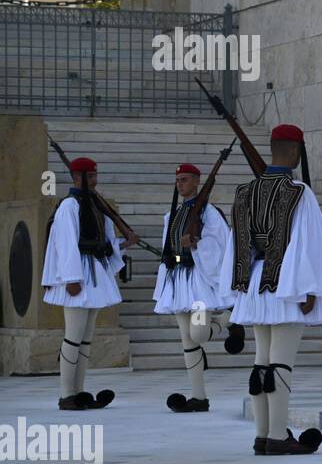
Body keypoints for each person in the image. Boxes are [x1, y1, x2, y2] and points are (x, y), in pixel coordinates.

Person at [219, 124, 322, 455]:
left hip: (254, 284)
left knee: (261, 361)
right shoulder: (299, 192)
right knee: (281, 362)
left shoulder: (244, 192)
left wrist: (236, 288)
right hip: (287, 283)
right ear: (297, 152)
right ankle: (278, 436)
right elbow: (307, 242)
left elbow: (236, 244)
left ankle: (262, 434)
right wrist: (309, 287)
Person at [41, 156, 139, 410]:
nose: (95, 180)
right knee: (73, 336)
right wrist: (71, 279)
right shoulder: (69, 206)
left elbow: (102, 243)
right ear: (77, 178)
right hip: (78, 275)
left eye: (96, 175)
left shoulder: (95, 205)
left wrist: (121, 244)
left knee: (85, 338)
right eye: (91, 176)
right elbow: (65, 244)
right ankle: (66, 394)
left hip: (95, 273)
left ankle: (79, 391)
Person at [153, 162, 245, 413]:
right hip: (179, 280)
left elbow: (222, 246)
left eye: (185, 179)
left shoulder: (209, 213)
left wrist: (196, 245)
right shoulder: (172, 214)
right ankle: (199, 397)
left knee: (199, 334)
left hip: (198, 279)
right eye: (178, 180)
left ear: (197, 181)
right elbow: (167, 249)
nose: (180, 184)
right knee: (188, 340)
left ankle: (228, 320)